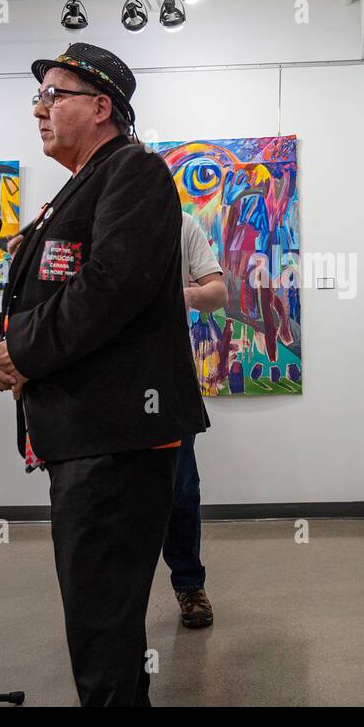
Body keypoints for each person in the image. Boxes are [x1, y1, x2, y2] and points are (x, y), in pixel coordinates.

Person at [0, 42, 207, 706]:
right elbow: (37, 300)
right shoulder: (76, 191)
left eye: (54, 95)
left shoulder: (134, 172)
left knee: (103, 636)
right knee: (102, 632)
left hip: (116, 440)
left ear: (102, 106)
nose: (39, 110)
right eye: (39, 98)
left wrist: (19, 351)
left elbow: (107, 288)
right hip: (87, 439)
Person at [164, 212, 227, 628]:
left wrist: (182, 295)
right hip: (103, 385)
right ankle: (115, 600)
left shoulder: (181, 224)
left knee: (181, 489)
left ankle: (189, 586)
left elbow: (218, 291)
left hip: (169, 377)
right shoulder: (91, 216)